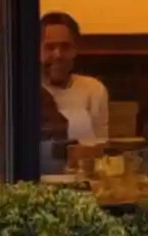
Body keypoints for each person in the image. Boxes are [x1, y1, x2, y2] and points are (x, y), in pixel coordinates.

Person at [40, 12, 109, 142]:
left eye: (65, 47)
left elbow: (101, 147)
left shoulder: (94, 90)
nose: (58, 55)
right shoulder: (20, 93)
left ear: (75, 50)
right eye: (50, 47)